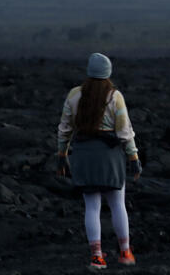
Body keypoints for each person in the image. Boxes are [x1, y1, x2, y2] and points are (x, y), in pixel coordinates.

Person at [56, 52, 142, 270]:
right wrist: (133, 157)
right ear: (108, 73)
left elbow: (65, 129)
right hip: (110, 156)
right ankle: (125, 252)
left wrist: (62, 155)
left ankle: (97, 257)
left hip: (84, 154)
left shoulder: (74, 95)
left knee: (91, 207)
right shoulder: (115, 96)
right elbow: (125, 131)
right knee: (117, 204)